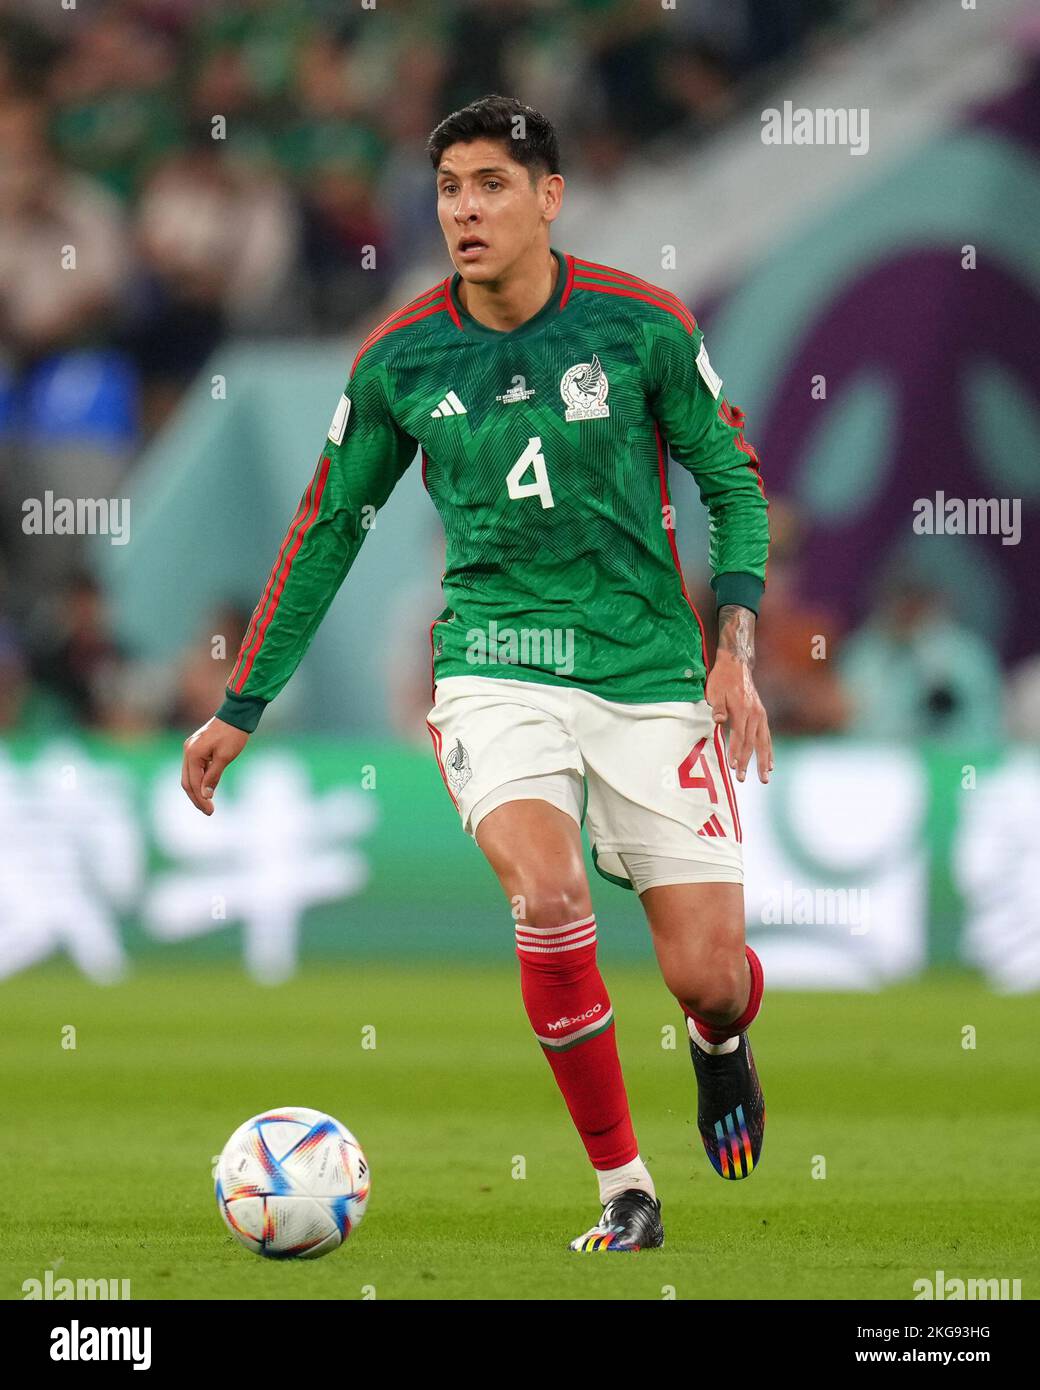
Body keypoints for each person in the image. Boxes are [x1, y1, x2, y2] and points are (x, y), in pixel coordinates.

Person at [181, 94, 772, 1254]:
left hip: (650, 669)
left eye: (490, 184)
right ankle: (623, 1189)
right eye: (448, 187)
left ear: (548, 199)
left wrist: (735, 648)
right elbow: (327, 526)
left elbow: (734, 481)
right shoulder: (402, 355)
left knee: (705, 976)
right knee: (546, 897)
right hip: (494, 667)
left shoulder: (641, 325)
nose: (464, 209)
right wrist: (242, 702)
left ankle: (716, 1044)